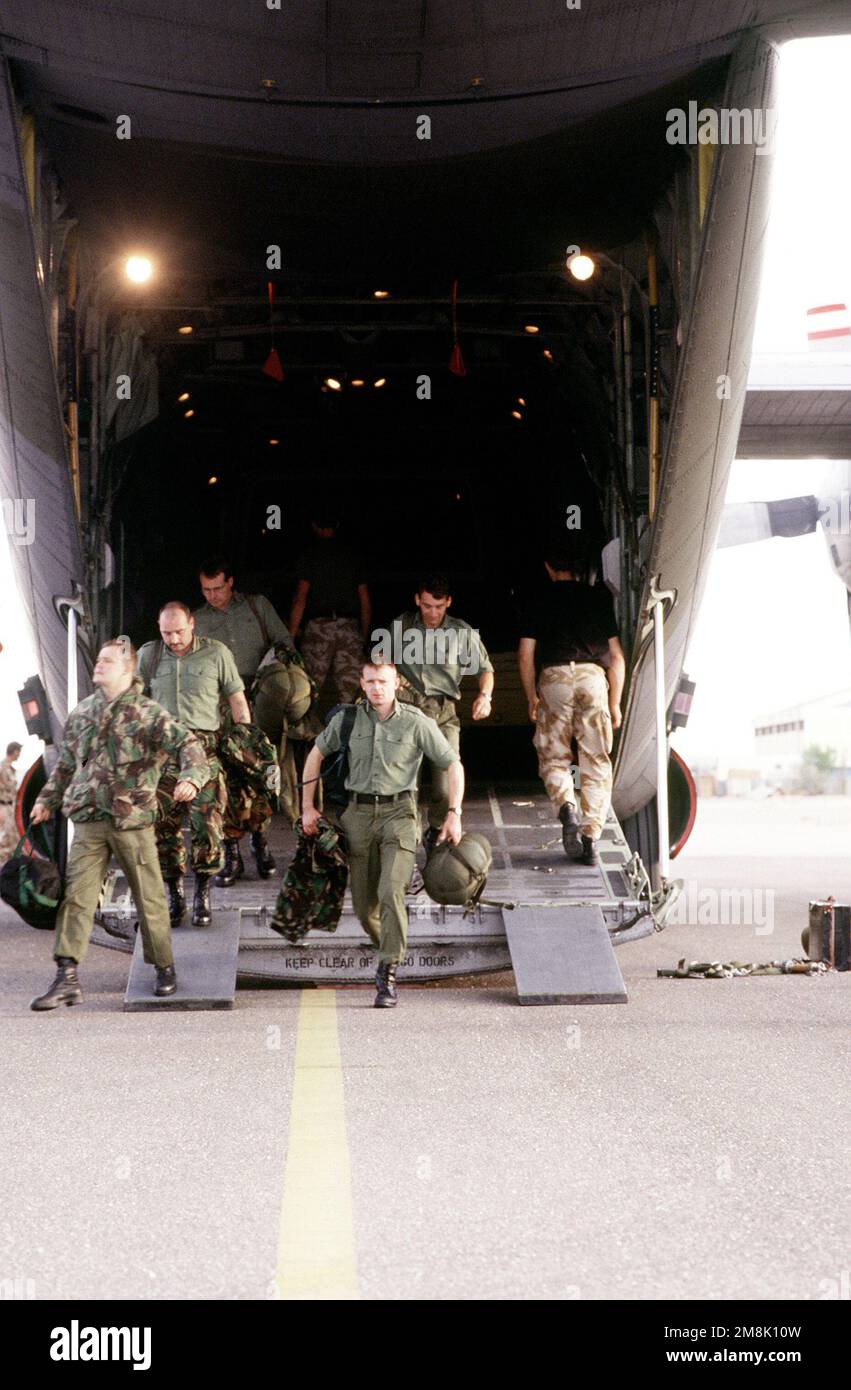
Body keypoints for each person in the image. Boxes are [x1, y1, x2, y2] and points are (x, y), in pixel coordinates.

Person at [28, 639, 209, 1009]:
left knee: (149, 896)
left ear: (127, 670)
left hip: (132, 820)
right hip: (90, 820)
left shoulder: (148, 713)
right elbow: (65, 764)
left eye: (107, 661)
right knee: (77, 898)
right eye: (98, 660)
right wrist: (47, 800)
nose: (98, 665)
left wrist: (192, 777)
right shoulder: (83, 713)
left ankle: (163, 967)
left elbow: (187, 744)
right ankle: (67, 975)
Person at [300, 660, 464, 1008]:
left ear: (397, 684)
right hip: (357, 816)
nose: (377, 688)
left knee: (391, 891)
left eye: (384, 682)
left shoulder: (416, 722)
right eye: (371, 681)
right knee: (363, 908)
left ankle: (387, 970)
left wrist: (454, 814)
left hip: (400, 814)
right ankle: (391, 947)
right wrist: (307, 807)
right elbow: (314, 755)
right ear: (362, 683)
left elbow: (453, 764)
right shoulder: (347, 721)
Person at [138, 603, 249, 926]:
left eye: (179, 631)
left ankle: (202, 893)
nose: (173, 639)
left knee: (208, 825)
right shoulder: (150, 655)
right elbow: (132, 701)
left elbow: (237, 700)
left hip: (205, 749)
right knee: (163, 828)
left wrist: (245, 744)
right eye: (166, 632)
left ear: (192, 624)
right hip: (162, 753)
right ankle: (175, 894)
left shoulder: (216, 653)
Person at [518, 547, 626, 866]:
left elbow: (525, 656)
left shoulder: (536, 598)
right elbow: (617, 658)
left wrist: (531, 699)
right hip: (593, 678)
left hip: (555, 678)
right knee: (596, 759)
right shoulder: (598, 598)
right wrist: (615, 703)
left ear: (549, 567)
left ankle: (567, 805)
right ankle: (591, 838)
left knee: (554, 754)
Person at [193, 554, 292, 883]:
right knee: (225, 779)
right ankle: (231, 850)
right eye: (206, 590)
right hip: (219, 705)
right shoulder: (196, 621)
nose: (212, 596)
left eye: (218, 588)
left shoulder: (256, 606)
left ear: (230, 582)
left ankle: (259, 841)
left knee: (258, 774)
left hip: (258, 697)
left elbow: (284, 642)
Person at [385, 574, 493, 854]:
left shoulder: (461, 632)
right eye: (427, 606)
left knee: (445, 788)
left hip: (443, 715)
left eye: (439, 607)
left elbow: (485, 670)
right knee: (404, 784)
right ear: (417, 601)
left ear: (448, 603)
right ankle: (402, 840)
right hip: (406, 714)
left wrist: (485, 696)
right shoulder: (402, 626)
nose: (433, 613)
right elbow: (381, 662)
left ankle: (435, 829)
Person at [289, 511, 371, 706]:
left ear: (315, 526)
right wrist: (363, 635)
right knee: (351, 693)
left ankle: (308, 734)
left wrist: (290, 636)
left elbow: (300, 598)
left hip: (319, 627)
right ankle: (351, 733)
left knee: (308, 691)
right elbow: (365, 601)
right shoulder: (352, 555)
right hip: (349, 627)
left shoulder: (311, 555)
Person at [0, 741, 22, 863]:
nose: (19, 755)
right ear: (14, 751)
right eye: (19, 752)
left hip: (10, 808)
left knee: (13, 842)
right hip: (3, 807)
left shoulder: (10, 768)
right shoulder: (2, 767)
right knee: (4, 843)